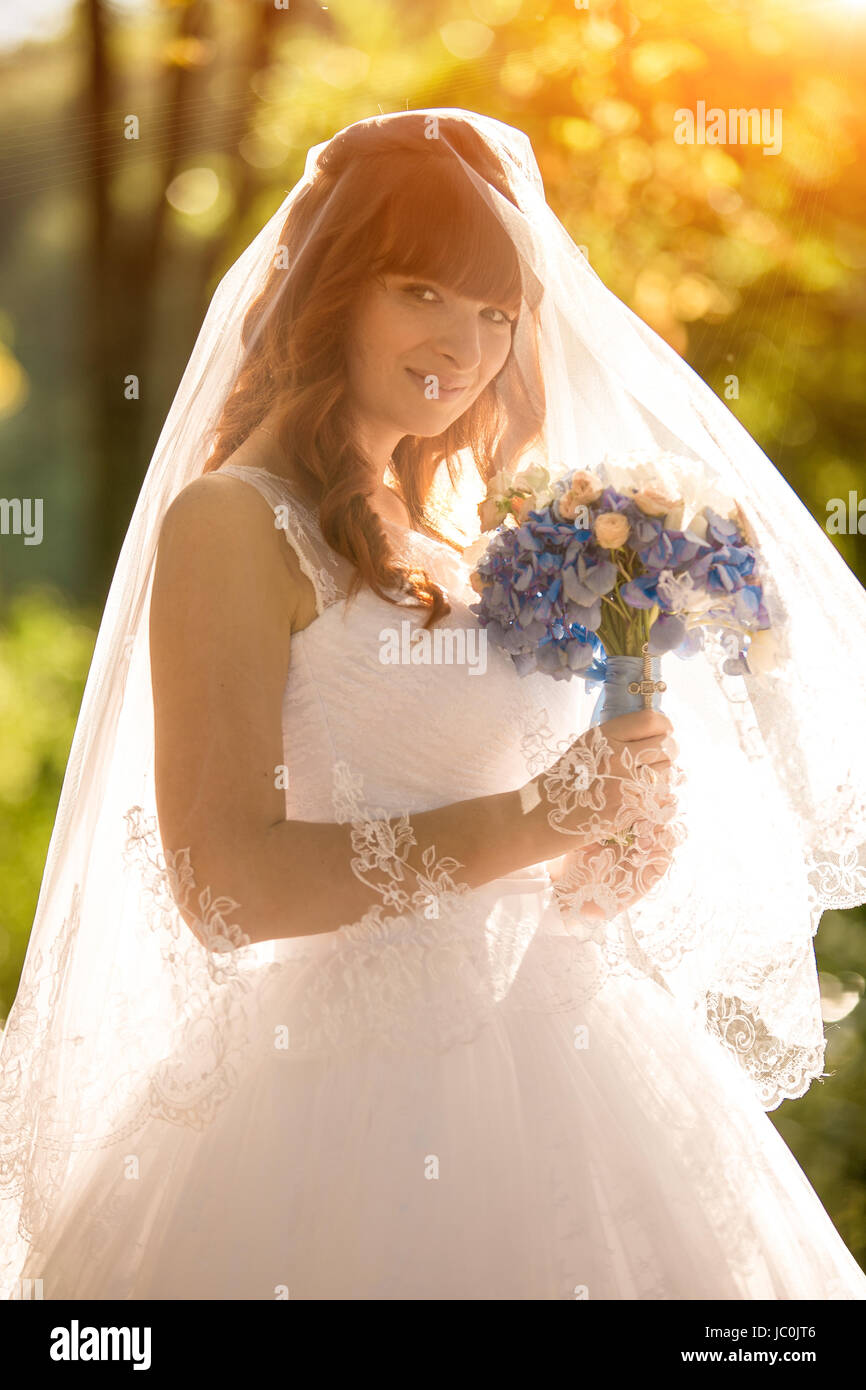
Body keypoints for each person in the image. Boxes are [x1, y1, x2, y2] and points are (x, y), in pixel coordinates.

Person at [3, 110, 866, 1300]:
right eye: (424, 293)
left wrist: (611, 838)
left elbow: (531, 836)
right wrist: (534, 817)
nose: (465, 347)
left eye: (496, 313)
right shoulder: (230, 523)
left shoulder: (462, 539)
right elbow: (222, 887)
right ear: (331, 292)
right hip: (344, 1092)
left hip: (571, 1053)